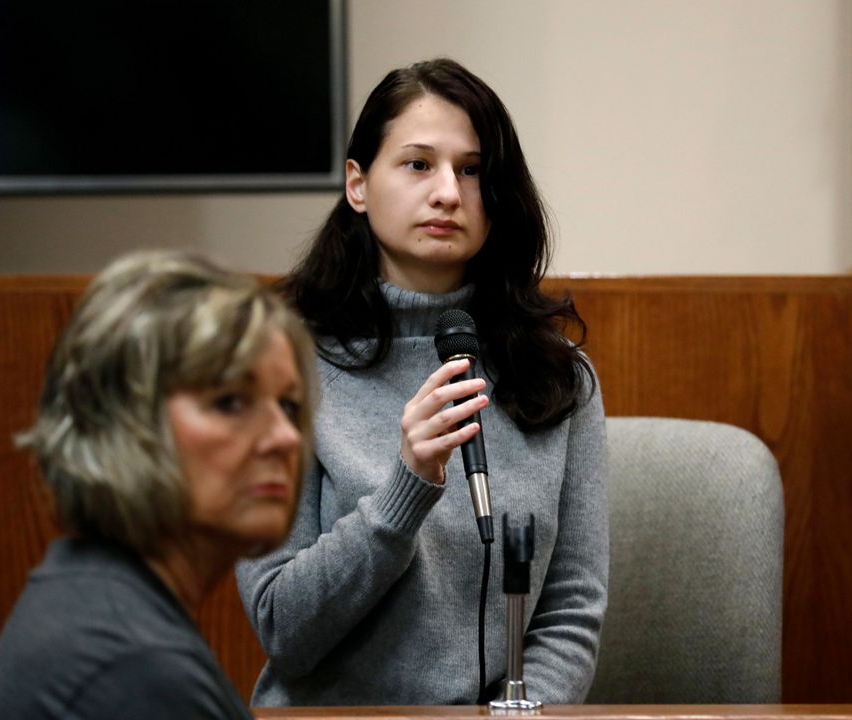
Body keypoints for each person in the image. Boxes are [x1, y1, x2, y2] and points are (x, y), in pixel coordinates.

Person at [235, 58, 608, 706]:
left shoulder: (557, 380)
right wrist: (405, 488)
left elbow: (570, 615)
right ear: (358, 184)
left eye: (470, 170)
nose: (447, 193)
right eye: (418, 164)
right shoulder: (282, 367)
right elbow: (281, 627)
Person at [0, 250, 316, 720]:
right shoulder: (130, 665)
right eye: (231, 401)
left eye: (290, 407)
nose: (284, 437)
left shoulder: (94, 600)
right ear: (121, 420)